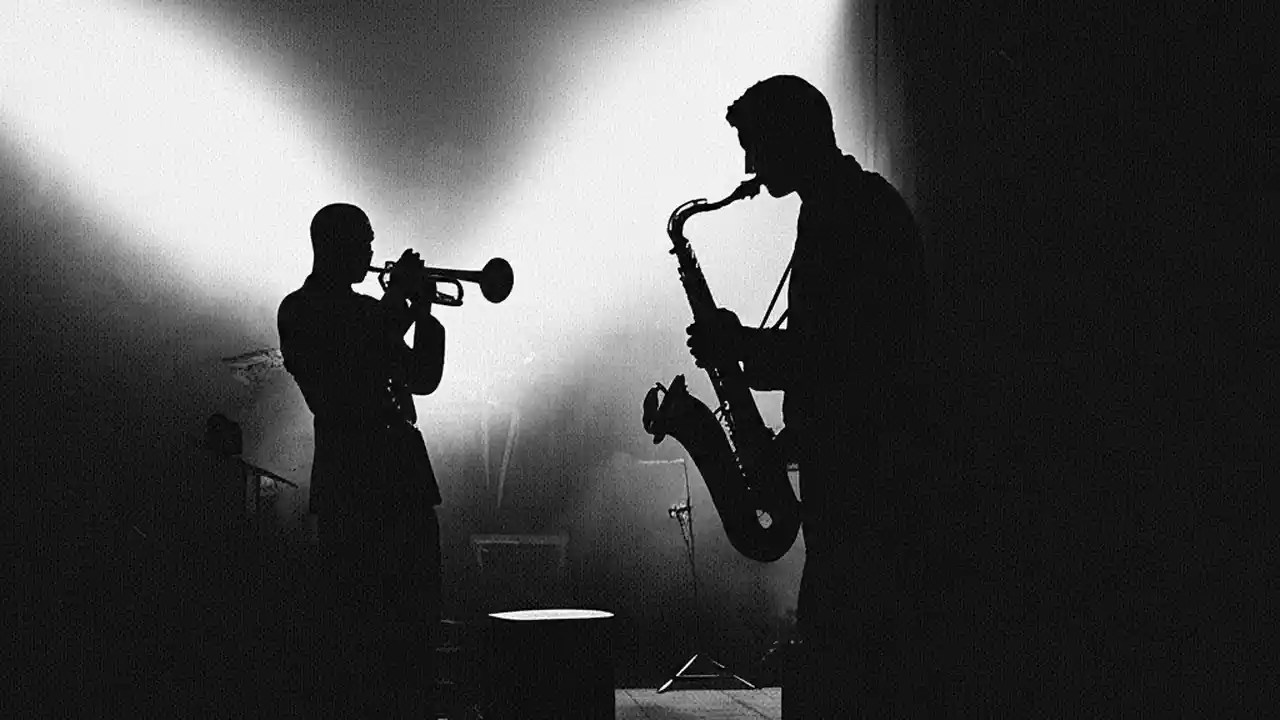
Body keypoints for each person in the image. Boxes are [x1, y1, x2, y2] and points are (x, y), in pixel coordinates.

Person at [686, 75, 933, 717]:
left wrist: (739, 344)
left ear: (792, 136)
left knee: (841, 668)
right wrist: (790, 436)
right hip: (850, 475)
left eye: (756, 146)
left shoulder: (855, 213)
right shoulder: (831, 207)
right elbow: (830, 359)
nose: (749, 167)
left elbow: (843, 355)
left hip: (870, 484)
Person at [278, 203, 445, 719]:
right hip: (353, 477)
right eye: (364, 240)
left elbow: (422, 378)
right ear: (334, 244)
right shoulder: (302, 308)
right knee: (362, 623)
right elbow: (348, 363)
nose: (374, 251)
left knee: (418, 617)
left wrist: (425, 315)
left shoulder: (371, 309)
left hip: (405, 476)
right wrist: (399, 301)